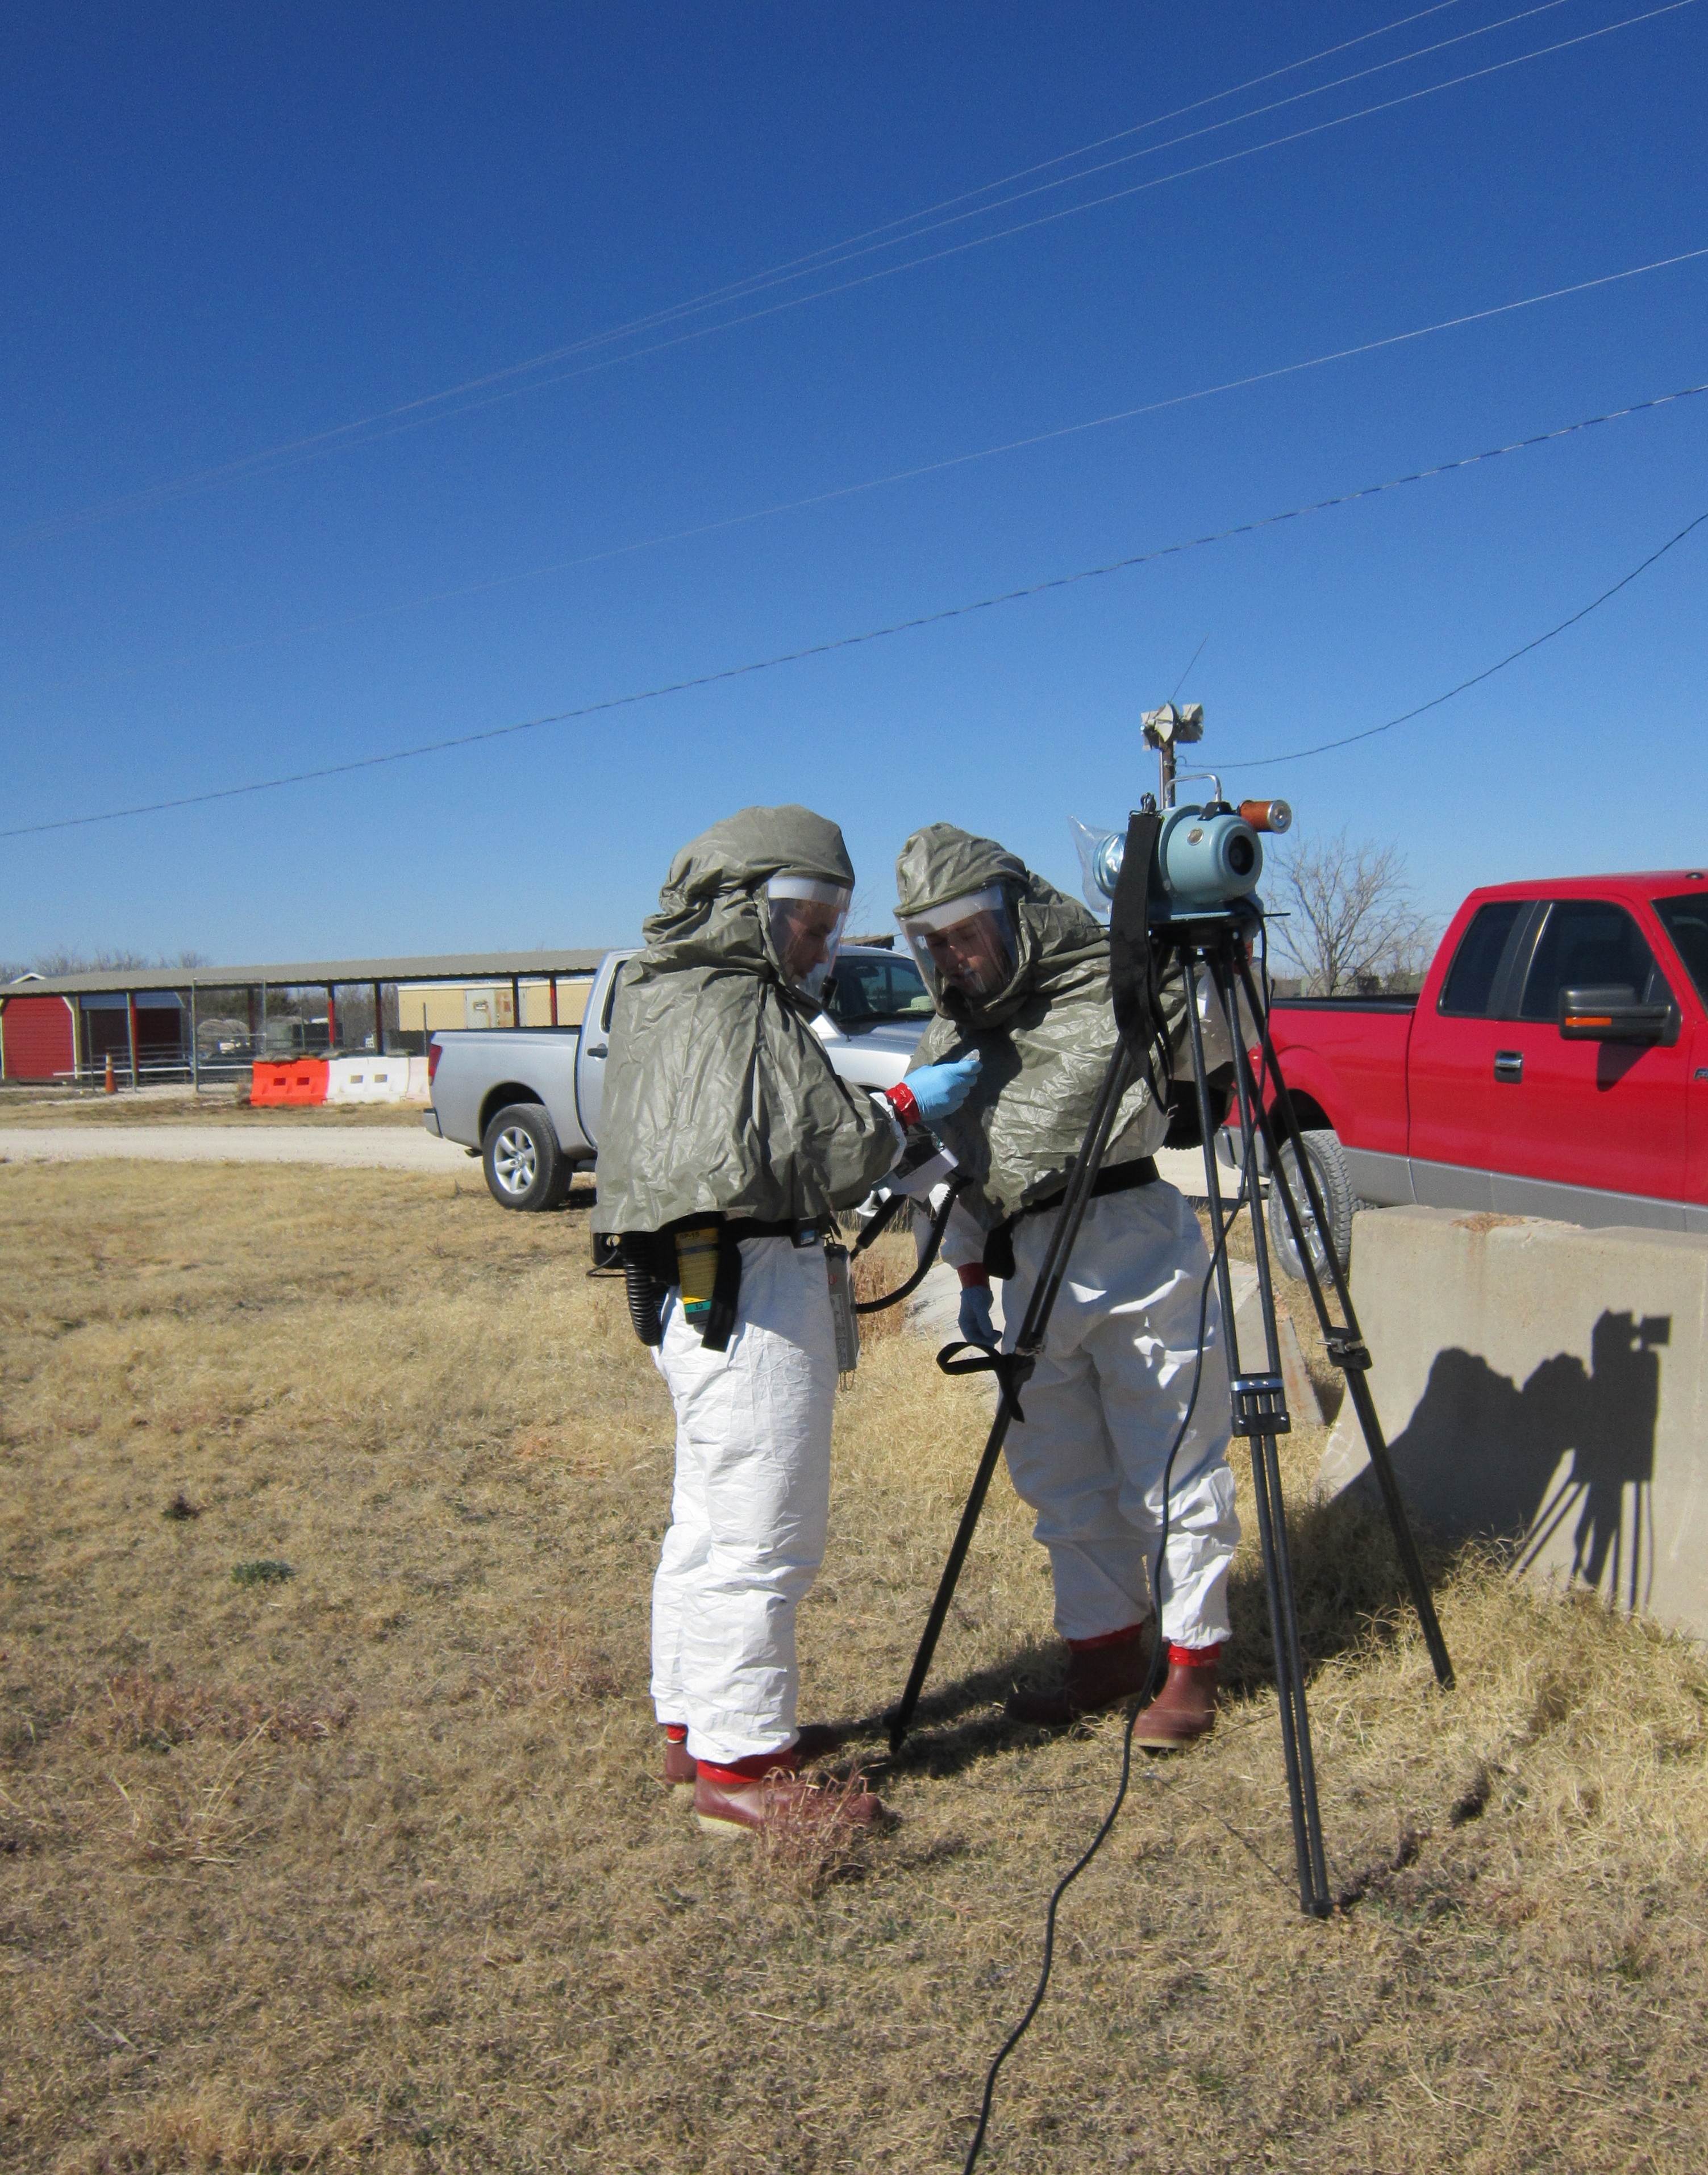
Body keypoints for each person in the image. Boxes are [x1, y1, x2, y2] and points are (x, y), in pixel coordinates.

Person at [593, 806, 979, 1835]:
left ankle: (695, 1728)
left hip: (703, 1287)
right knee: (763, 1531)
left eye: (828, 923)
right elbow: (831, 1151)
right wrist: (908, 1108)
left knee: (710, 1517)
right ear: (737, 906)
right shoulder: (737, 1008)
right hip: (750, 1285)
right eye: (801, 922)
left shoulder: (664, 991)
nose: (817, 944)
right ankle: (742, 1768)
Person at [894, 824, 1238, 1744]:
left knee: (1169, 1454)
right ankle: (1102, 1652)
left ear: (1018, 915)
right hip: (1026, 1264)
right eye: (933, 942)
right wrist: (967, 1267)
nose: (953, 956)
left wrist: (1194, 951)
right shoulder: (954, 1029)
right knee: (1060, 1473)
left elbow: (1212, 1041)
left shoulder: (1112, 984)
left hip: (1134, 1246)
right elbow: (951, 1163)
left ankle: (1190, 1664)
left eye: (967, 932)